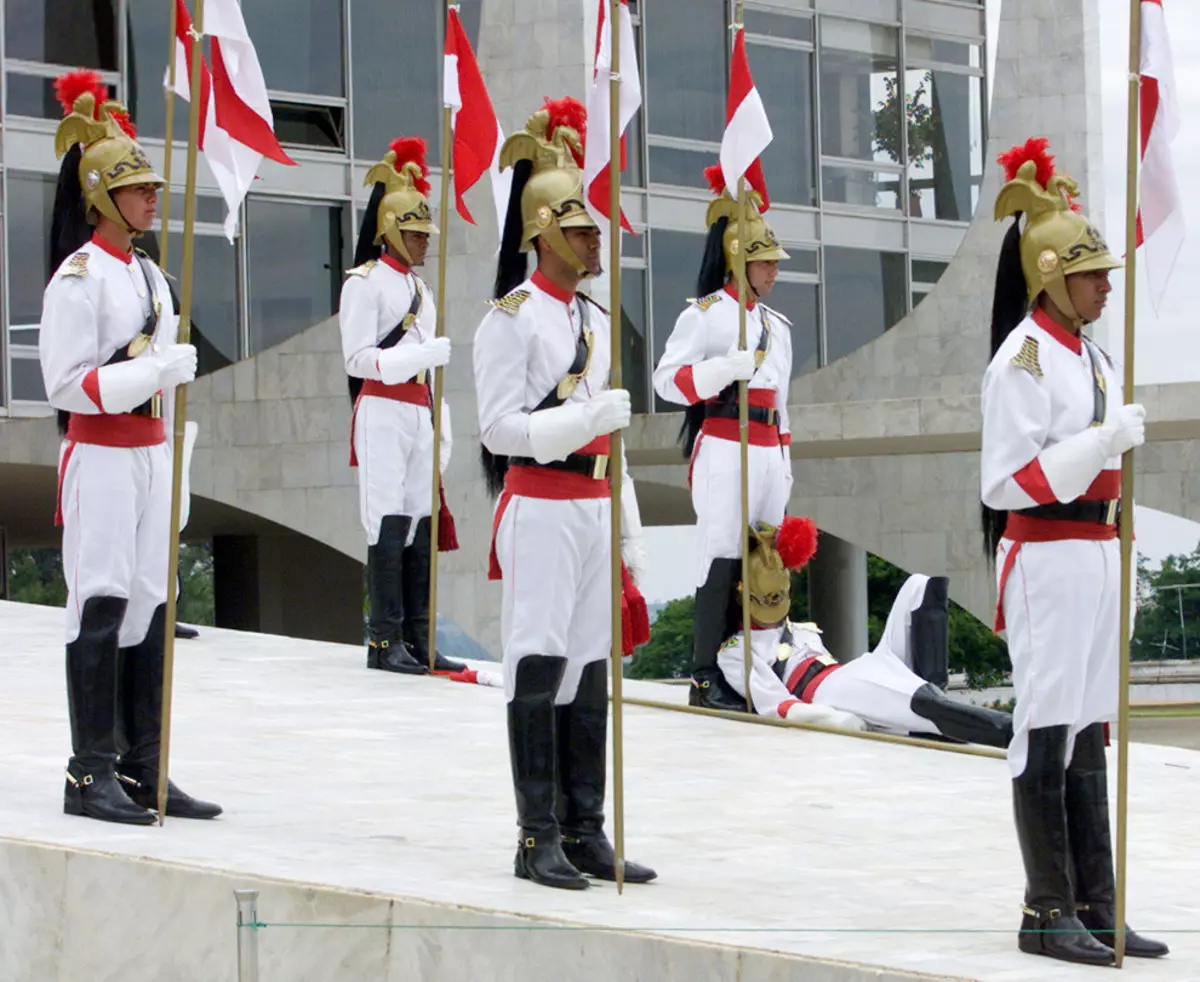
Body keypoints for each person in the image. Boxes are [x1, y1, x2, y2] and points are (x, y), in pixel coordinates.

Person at [981, 138, 1166, 964]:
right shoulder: (1020, 359)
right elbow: (1007, 482)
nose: (1105, 285)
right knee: (1047, 726)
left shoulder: (1089, 352)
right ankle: (1045, 908)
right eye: (1093, 273)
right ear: (1051, 274)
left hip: (1094, 549)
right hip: (1047, 552)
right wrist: (1097, 442)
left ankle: (1097, 903)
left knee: (1090, 729)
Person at [474, 97, 655, 890]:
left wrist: (628, 536)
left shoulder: (593, 316)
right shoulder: (510, 318)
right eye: (579, 230)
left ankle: (586, 827)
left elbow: (609, 439)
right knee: (540, 660)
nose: (592, 240)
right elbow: (498, 430)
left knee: (588, 666)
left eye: (593, 230)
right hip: (541, 500)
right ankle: (535, 834)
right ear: (541, 232)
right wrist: (581, 417)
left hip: (590, 502)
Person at [41, 71, 220, 823]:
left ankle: (146, 764)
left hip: (150, 448)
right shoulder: (78, 278)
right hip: (104, 452)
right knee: (103, 600)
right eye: (137, 187)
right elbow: (65, 383)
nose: (152, 196)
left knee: (150, 602)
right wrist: (148, 369)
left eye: (151, 185)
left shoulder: (151, 274)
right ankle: (90, 772)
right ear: (101, 199)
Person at [651, 164, 793, 712]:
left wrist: (786, 457)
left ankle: (747, 669)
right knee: (722, 557)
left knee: (763, 561)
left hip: (765, 447)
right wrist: (717, 372)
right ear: (740, 258)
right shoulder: (709, 315)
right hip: (724, 439)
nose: (773, 272)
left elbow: (784, 403)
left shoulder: (777, 325)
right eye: (765, 262)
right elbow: (667, 380)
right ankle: (706, 674)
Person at [714, 518, 1013, 748]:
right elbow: (776, 705)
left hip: (854, 671)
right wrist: (833, 719)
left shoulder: (798, 629)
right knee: (920, 703)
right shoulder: (737, 649)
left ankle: (934, 716)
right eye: (767, 600)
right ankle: (1013, 731)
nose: (775, 607)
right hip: (830, 692)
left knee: (922, 586)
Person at [340, 136, 463, 675]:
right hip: (383, 405)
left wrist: (441, 422)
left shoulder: (422, 290)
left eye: (425, 233)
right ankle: (383, 638)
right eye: (414, 233)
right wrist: (412, 354)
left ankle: (419, 634)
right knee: (386, 520)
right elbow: (356, 359)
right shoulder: (364, 284)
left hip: (417, 408)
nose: (423, 242)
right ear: (389, 230)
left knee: (419, 519)